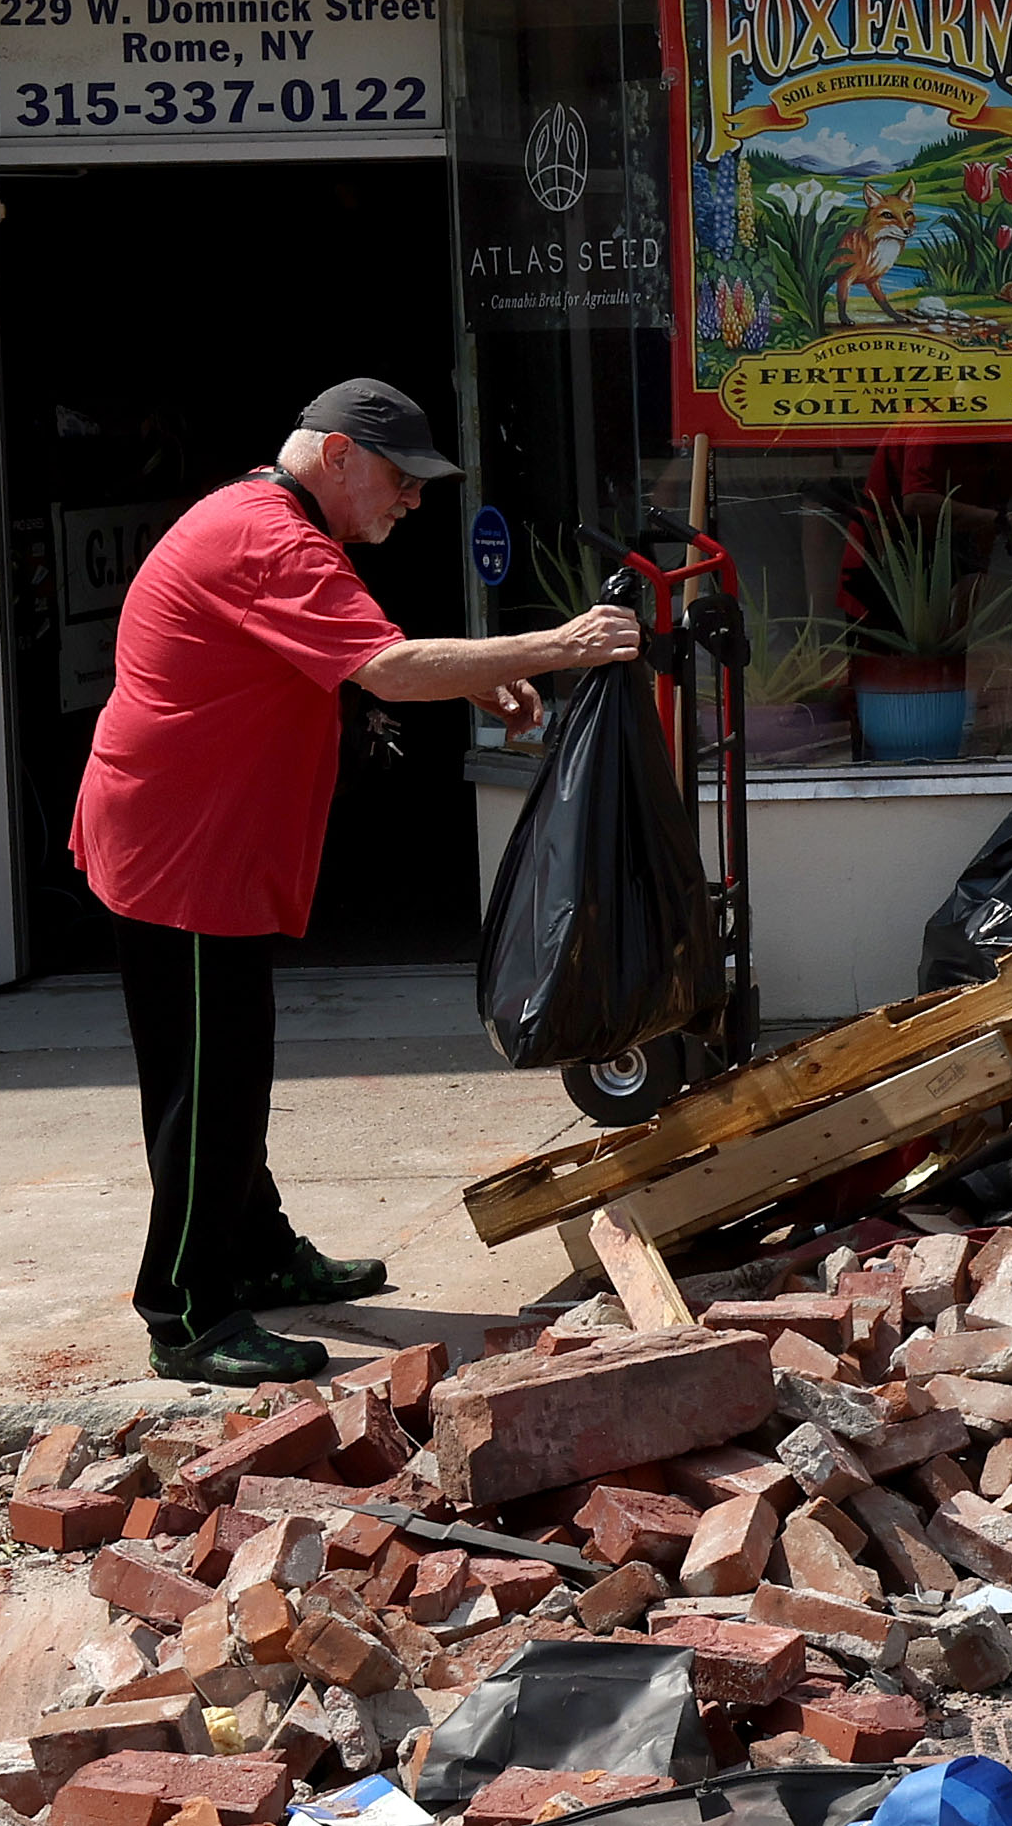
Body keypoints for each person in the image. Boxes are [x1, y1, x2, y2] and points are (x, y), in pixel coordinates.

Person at [72, 378, 638, 1383]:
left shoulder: (271, 521)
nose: (413, 501)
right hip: (182, 855)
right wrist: (562, 644)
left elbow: (364, 654)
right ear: (337, 454)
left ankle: (257, 1250)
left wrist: (470, 669)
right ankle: (188, 1312)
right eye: (403, 478)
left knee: (224, 1070)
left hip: (189, 841)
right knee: (209, 1085)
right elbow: (387, 666)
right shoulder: (271, 539)